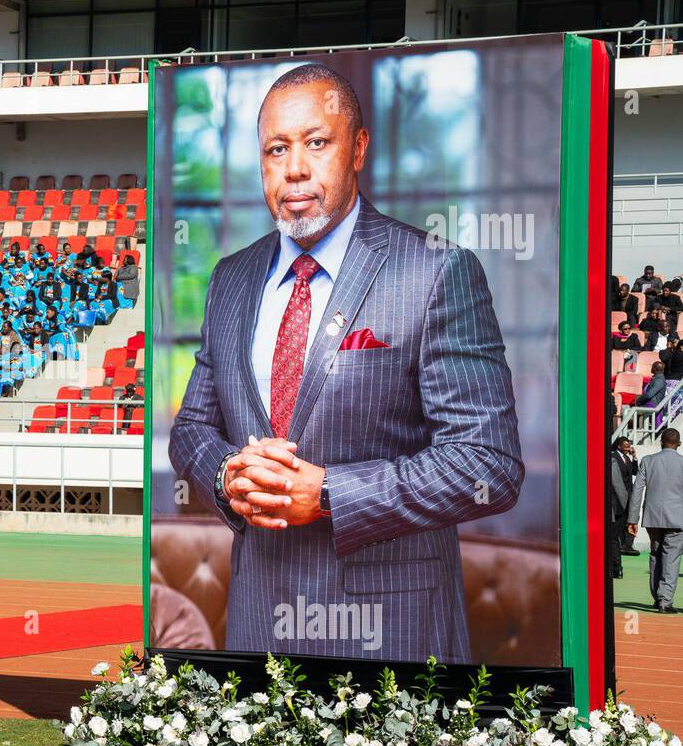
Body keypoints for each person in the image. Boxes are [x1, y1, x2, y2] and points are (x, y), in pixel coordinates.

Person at [167, 62, 523, 662]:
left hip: (392, 635)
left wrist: (330, 493)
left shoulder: (435, 271)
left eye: (316, 143)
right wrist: (228, 473)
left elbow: (488, 465)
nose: (295, 167)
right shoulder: (231, 279)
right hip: (258, 626)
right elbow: (192, 430)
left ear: (357, 149)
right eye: (277, 149)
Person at [627, 427, 683, 614]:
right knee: (671, 558)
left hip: (652, 517)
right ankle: (665, 601)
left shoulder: (647, 461)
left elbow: (637, 491)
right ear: (679, 444)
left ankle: (656, 597)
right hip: (676, 518)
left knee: (655, 555)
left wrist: (632, 519)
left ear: (661, 442)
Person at [611, 437, 639, 580]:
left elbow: (635, 472)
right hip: (616, 502)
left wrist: (634, 458)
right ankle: (616, 565)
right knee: (614, 534)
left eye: (629, 446)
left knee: (624, 529)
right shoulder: (613, 458)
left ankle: (627, 546)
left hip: (627, 499)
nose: (628, 448)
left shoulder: (627, 459)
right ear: (619, 446)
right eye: (626, 446)